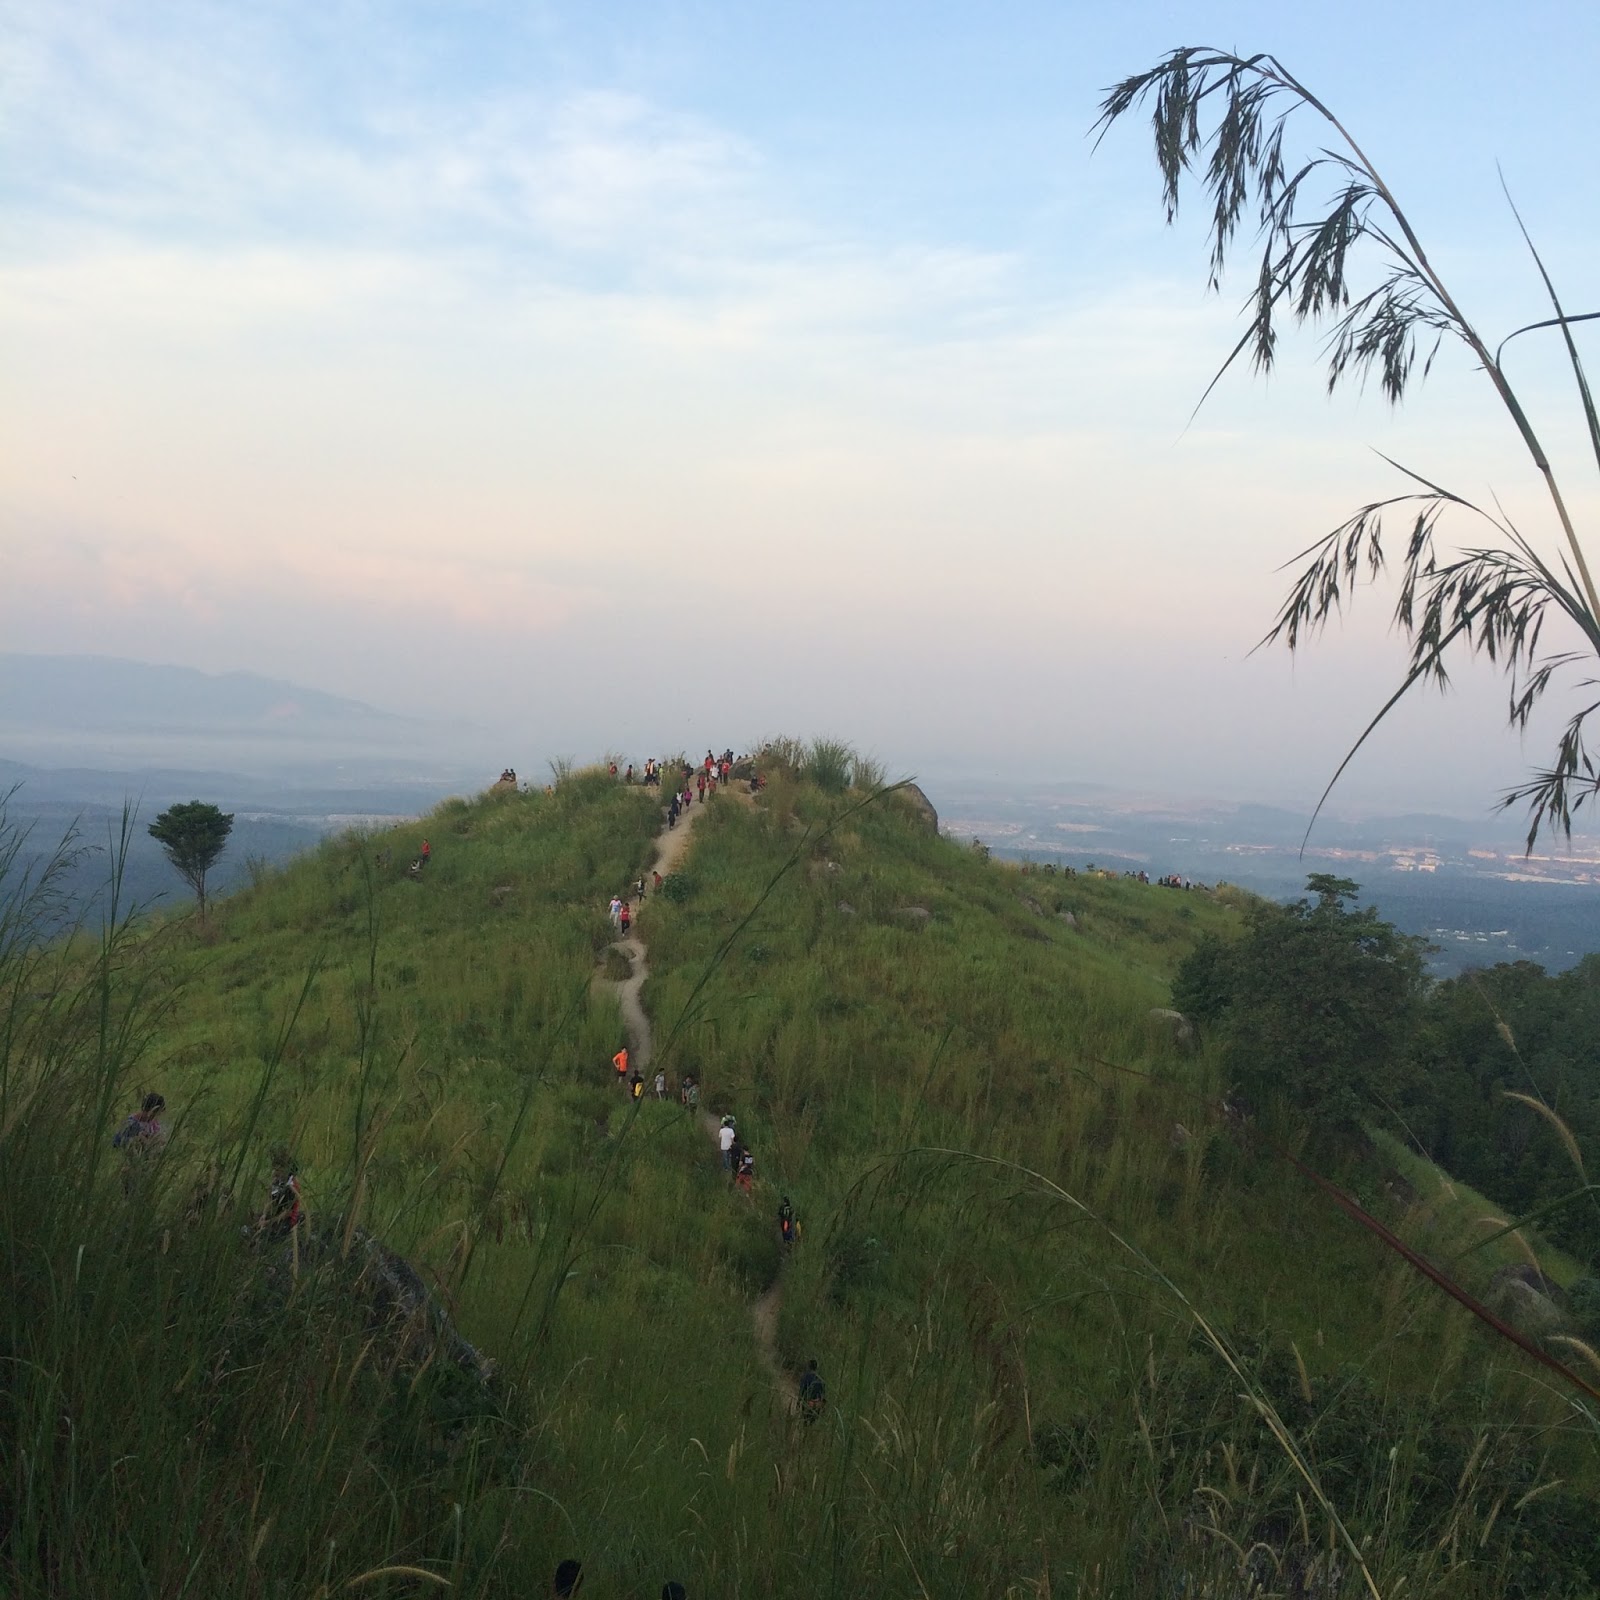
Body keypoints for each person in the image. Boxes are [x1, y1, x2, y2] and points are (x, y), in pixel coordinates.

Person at [260, 1147, 302, 1239]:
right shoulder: (278, 1181)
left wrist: (267, 1223)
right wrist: (264, 1214)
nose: (275, 1172)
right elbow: (270, 1198)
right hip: (275, 1217)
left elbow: (286, 1213)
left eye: (279, 1170)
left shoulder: (292, 1186)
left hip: (288, 1222)